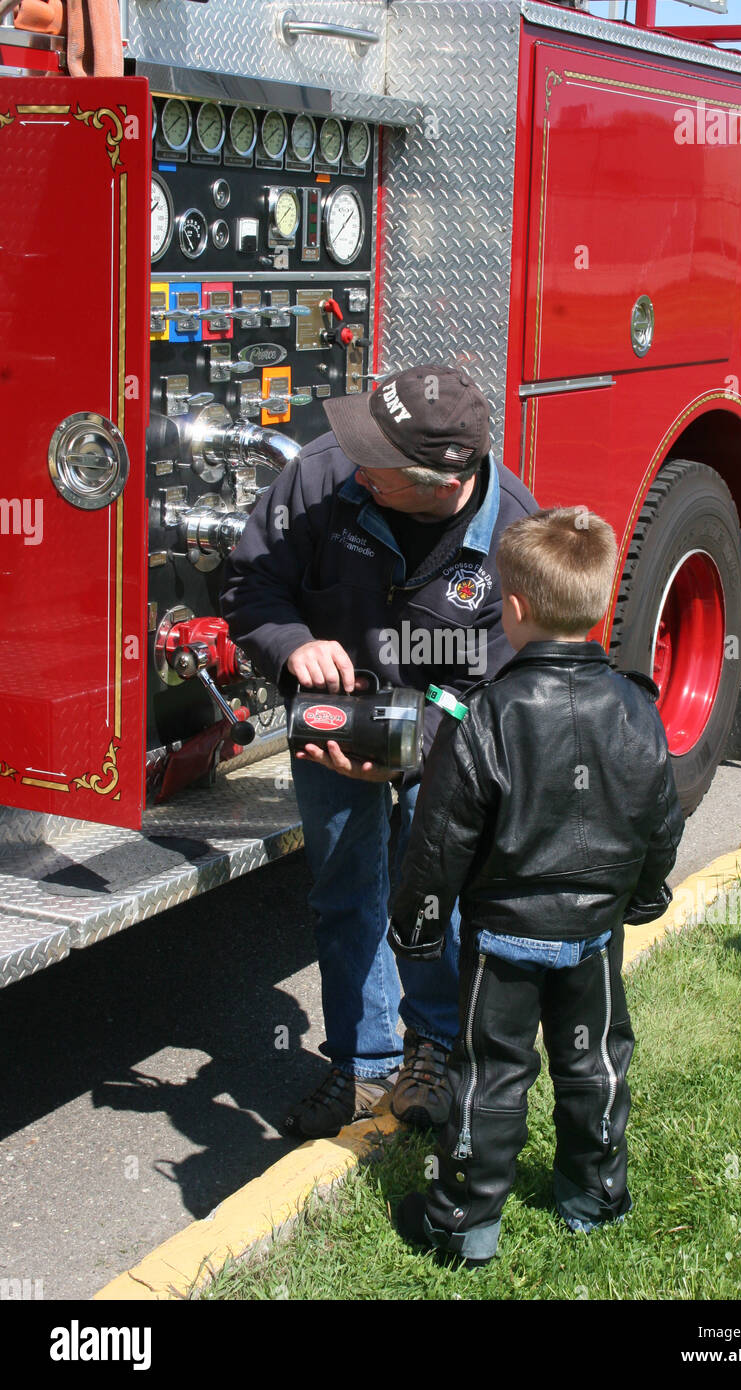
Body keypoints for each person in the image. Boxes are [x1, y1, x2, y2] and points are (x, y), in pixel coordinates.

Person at [220, 364, 536, 1139]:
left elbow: (501, 690)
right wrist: (292, 645)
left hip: (445, 736)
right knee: (344, 888)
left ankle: (433, 1051)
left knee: (434, 894)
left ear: (439, 481)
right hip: (329, 725)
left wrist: (409, 752)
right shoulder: (325, 476)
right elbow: (247, 585)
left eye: (378, 463)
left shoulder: (513, 535)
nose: (353, 462)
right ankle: (361, 1065)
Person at [387, 506, 685, 1265]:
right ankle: (595, 1195)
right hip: (593, 936)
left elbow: (440, 838)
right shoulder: (637, 710)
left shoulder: (486, 716)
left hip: (504, 942)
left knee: (489, 1073)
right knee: (596, 1063)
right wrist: (645, 896)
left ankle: (464, 1223)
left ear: (512, 609)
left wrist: (419, 930)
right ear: (599, 600)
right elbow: (660, 817)